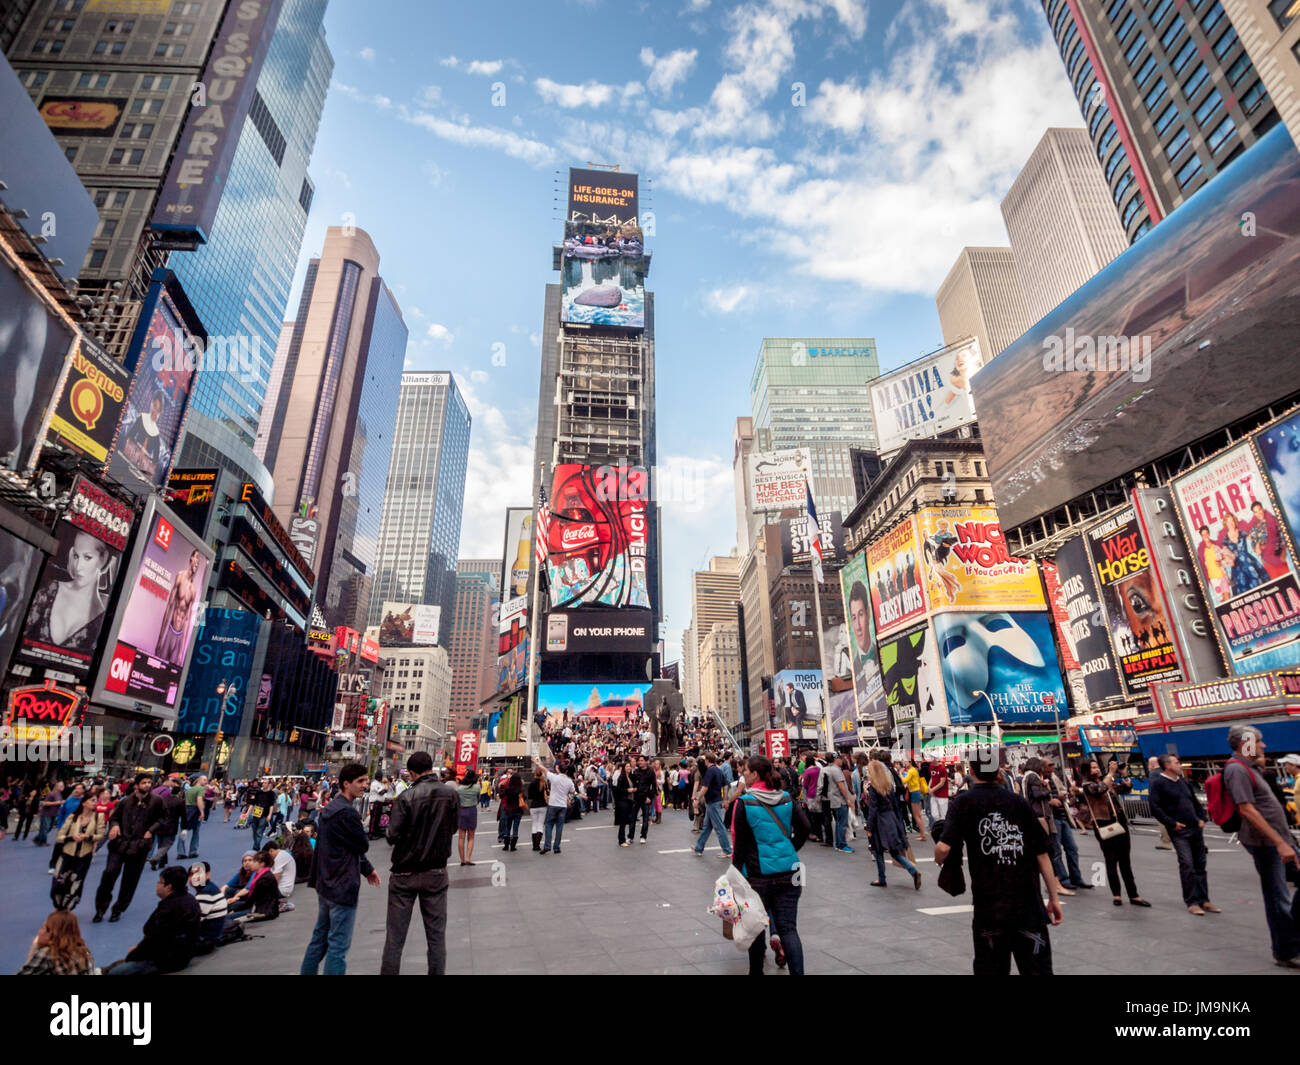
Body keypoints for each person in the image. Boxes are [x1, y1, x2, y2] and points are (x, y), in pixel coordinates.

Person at [935, 748, 1063, 975]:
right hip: (1028, 906)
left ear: (971, 771)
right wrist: (1053, 898)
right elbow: (1042, 854)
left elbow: (943, 849)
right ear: (997, 770)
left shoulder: (963, 802)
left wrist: (939, 858)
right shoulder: (1018, 802)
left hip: (989, 907)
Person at [1223, 724, 1300, 967]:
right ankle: (1286, 949)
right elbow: (1246, 809)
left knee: (1281, 896)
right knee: (1277, 897)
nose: (1263, 745)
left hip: (1280, 840)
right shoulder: (1236, 769)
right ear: (1244, 744)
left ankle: (1289, 937)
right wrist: (1280, 843)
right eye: (1258, 741)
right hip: (1267, 843)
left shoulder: (1250, 767)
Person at [732, 754, 811, 975]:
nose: (743, 774)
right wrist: (790, 849)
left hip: (758, 876)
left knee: (755, 930)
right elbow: (805, 827)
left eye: (746, 771)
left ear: (755, 774)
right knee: (788, 929)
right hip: (791, 871)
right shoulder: (786, 798)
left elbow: (739, 847)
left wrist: (736, 878)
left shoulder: (744, 803)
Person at [381, 751, 458, 975]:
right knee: (436, 936)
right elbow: (453, 828)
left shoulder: (406, 797)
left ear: (413, 773)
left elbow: (392, 835)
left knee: (395, 937)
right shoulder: (450, 795)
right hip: (436, 871)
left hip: (404, 873)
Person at [301, 763, 381, 976]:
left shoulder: (329, 809)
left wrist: (367, 869)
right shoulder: (347, 813)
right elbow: (361, 844)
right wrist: (362, 824)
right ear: (346, 784)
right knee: (338, 945)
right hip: (342, 884)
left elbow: (344, 845)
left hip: (325, 882)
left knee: (319, 939)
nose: (365, 785)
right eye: (360, 781)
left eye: (366, 780)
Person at [1148, 754, 1218, 916]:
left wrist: (1202, 818)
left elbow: (1194, 801)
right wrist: (1172, 823)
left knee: (1200, 865)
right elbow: (1155, 807)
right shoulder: (1158, 783)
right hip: (1179, 831)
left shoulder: (1183, 782)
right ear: (1167, 765)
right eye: (1177, 763)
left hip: (1195, 828)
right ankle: (1192, 901)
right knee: (1187, 864)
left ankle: (1204, 900)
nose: (1180, 765)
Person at [103, 865, 201, 975]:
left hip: (166, 961)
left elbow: (154, 941)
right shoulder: (190, 900)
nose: (157, 885)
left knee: (116, 972)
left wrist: (133, 954)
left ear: (168, 887)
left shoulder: (168, 910)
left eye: (160, 882)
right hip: (183, 955)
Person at [94, 773, 163, 923]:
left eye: (149, 783)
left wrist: (150, 830)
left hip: (139, 846)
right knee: (109, 874)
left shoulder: (156, 802)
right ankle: (100, 908)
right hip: (120, 844)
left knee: (130, 881)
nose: (147, 785)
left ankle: (118, 909)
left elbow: (162, 819)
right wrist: (115, 826)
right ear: (136, 785)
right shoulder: (125, 802)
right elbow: (114, 818)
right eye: (144, 782)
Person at [1082, 760, 1150, 908]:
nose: (1097, 770)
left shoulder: (1108, 781)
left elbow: (1126, 789)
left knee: (1125, 861)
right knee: (1111, 860)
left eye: (1097, 767)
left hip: (1120, 822)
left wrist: (1124, 774)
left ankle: (1134, 895)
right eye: (1093, 768)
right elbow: (1099, 789)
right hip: (1104, 824)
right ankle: (1117, 895)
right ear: (1087, 771)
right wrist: (1111, 773)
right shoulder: (1087, 785)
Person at [865, 758, 921, 888]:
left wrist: (869, 827)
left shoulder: (873, 787)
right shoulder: (888, 785)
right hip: (891, 818)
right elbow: (895, 805)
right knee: (894, 851)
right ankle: (913, 871)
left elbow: (873, 808)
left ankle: (881, 878)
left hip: (880, 821)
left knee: (878, 850)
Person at [52, 797, 106, 910]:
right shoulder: (73, 817)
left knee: (75, 884)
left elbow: (101, 835)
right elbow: (59, 837)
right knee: (59, 882)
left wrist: (88, 837)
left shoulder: (98, 817)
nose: (95, 803)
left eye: (96, 800)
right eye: (92, 800)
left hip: (84, 856)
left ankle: (67, 910)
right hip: (67, 854)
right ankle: (58, 906)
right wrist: (72, 837)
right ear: (84, 803)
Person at [16, 910, 95, 975]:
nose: (39, 931)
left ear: (51, 934)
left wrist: (33, 948)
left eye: (42, 928)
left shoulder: (47, 954)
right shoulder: (84, 952)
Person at [693, 753, 733, 859]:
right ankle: (699, 847)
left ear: (707, 760)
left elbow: (705, 787)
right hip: (716, 801)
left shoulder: (710, 771)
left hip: (712, 802)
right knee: (707, 827)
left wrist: (697, 799)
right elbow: (725, 785)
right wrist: (724, 799)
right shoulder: (719, 770)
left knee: (719, 827)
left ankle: (727, 850)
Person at [536, 758, 576, 854]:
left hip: (553, 804)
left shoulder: (554, 777)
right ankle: (557, 847)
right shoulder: (569, 781)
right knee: (559, 827)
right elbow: (573, 791)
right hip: (562, 805)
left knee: (549, 825)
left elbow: (544, 769)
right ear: (566, 771)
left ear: (559, 770)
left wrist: (536, 762)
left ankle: (547, 846)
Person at [189, 862, 229, 950]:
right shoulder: (210, 887)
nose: (194, 877)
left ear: (207, 875)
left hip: (206, 940)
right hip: (213, 935)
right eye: (191, 875)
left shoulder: (205, 893)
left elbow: (195, 921)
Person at [629, 754, 657, 844]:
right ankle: (630, 837)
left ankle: (643, 836)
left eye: (641, 760)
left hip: (646, 798)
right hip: (636, 797)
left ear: (645, 761)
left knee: (645, 818)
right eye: (639, 761)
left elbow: (654, 786)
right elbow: (632, 783)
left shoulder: (651, 771)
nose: (639, 762)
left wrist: (650, 797)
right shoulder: (636, 771)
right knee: (632, 817)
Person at [178, 774, 206, 859]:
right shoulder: (200, 789)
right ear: (199, 780)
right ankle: (193, 851)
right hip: (195, 810)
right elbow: (199, 800)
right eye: (204, 780)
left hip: (187, 809)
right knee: (196, 831)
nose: (206, 782)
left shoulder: (190, 789)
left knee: (184, 830)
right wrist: (202, 812)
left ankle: (181, 851)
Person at [455, 770, 480, 866]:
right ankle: (468, 858)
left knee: (461, 837)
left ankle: (462, 860)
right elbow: (478, 799)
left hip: (461, 811)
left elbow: (457, 801)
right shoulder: (477, 787)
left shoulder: (459, 789)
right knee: (471, 837)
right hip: (472, 811)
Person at [264, 837, 296, 907]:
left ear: (271, 851)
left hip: (282, 890)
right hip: (284, 889)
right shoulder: (283, 854)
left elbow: (274, 880)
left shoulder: (280, 858)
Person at [902, 760, 928, 841]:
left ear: (910, 762)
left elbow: (904, 780)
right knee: (918, 815)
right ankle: (922, 834)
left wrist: (900, 773)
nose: (905, 763)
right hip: (917, 792)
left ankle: (923, 835)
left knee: (916, 816)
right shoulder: (915, 770)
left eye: (906, 762)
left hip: (914, 792)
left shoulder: (911, 771)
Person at [499, 769, 524, 851]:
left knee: (508, 827)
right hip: (518, 810)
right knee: (515, 828)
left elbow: (501, 795)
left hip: (509, 810)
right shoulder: (520, 789)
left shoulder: (508, 789)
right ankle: (513, 846)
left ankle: (506, 845)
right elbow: (525, 797)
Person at [526, 765, 549, 851]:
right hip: (543, 805)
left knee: (534, 824)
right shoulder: (545, 783)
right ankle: (537, 844)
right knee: (540, 825)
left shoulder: (532, 783)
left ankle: (534, 845)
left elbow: (530, 796)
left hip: (534, 805)